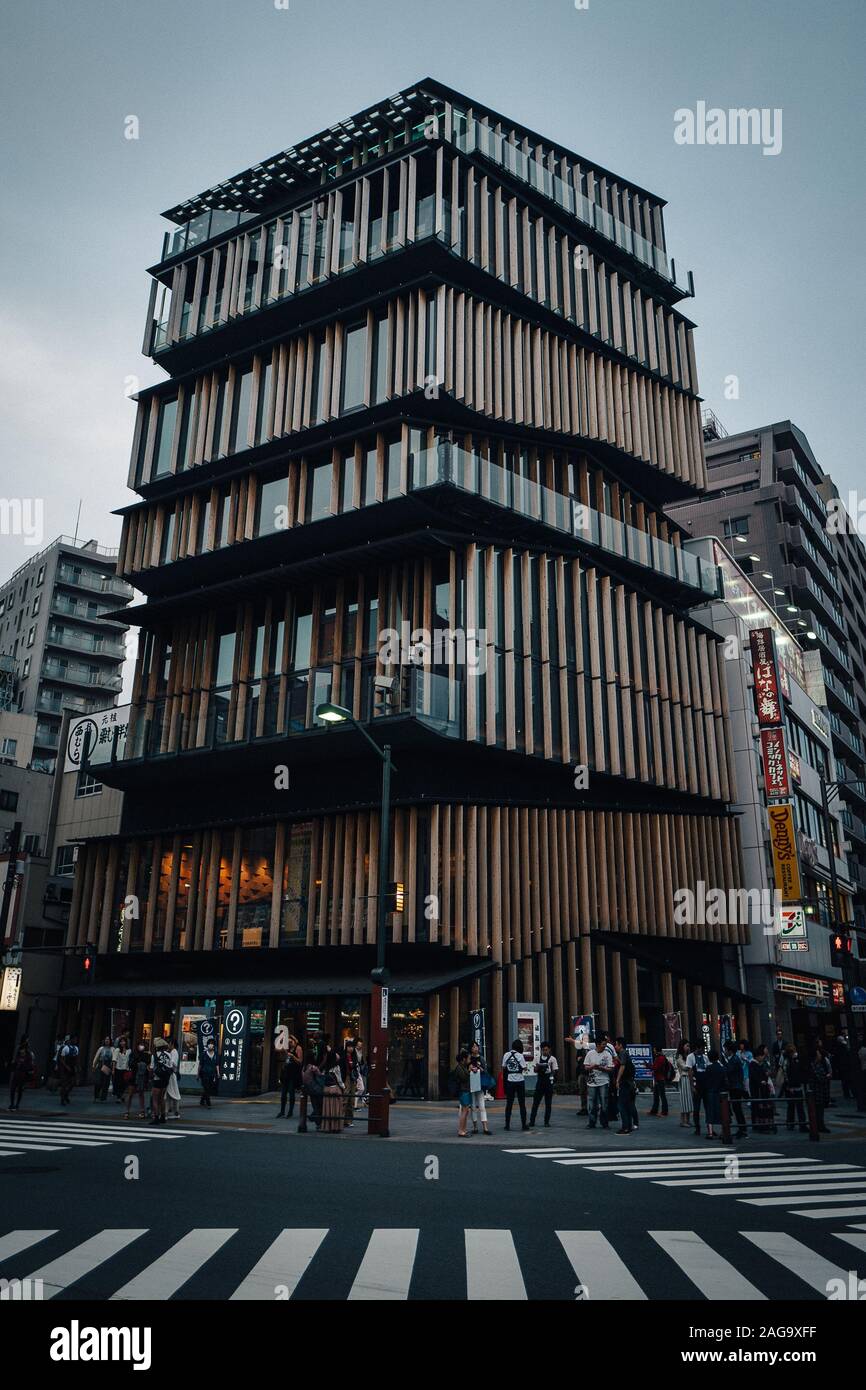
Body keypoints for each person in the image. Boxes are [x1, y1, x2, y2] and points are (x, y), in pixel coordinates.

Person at [584, 1036, 615, 1129]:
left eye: (605, 1044)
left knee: (604, 1103)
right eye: (603, 1044)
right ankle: (592, 1122)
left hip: (604, 1082)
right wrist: (592, 1067)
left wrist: (602, 1068)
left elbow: (611, 1068)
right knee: (592, 1104)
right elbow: (585, 1066)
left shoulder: (607, 1054)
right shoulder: (590, 1053)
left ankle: (604, 1122)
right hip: (592, 1082)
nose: (605, 1046)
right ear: (597, 1044)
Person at [722, 1039, 749, 1138]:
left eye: (725, 1049)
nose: (724, 1051)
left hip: (736, 1087)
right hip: (736, 1086)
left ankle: (743, 1129)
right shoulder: (734, 1059)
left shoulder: (734, 1059)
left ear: (729, 1050)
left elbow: (728, 1070)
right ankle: (742, 1129)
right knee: (737, 1108)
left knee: (737, 1108)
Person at [748, 1044, 777, 1133]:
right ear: (758, 1056)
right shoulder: (753, 1064)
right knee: (759, 1107)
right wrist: (762, 1080)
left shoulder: (758, 1064)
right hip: (757, 1090)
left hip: (762, 1089)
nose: (762, 1058)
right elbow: (755, 1077)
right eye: (761, 1056)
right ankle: (760, 1125)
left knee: (762, 1107)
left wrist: (764, 1078)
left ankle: (764, 1125)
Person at [501, 1038, 529, 1131]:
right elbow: (524, 1068)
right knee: (522, 1103)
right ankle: (524, 1125)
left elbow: (504, 1067)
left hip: (509, 1080)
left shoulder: (506, 1055)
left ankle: (507, 1125)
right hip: (520, 1081)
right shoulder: (520, 1056)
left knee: (509, 1103)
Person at [529, 1041, 558, 1128]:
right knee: (535, 1103)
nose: (545, 1051)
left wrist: (550, 1069)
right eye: (543, 1050)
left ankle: (546, 1122)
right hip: (540, 1082)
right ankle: (532, 1121)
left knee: (548, 1103)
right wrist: (538, 1067)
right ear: (541, 1050)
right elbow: (534, 1070)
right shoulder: (537, 1058)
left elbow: (555, 1071)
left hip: (548, 1082)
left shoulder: (552, 1059)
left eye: (546, 1050)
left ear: (549, 1050)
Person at [781, 1043, 809, 1132]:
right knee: (797, 1106)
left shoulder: (790, 1060)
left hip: (793, 1085)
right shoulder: (791, 1060)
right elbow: (786, 1074)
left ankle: (792, 1123)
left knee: (792, 1106)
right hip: (794, 1085)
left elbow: (786, 1074)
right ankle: (800, 1124)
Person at [613, 1038, 638, 1134]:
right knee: (627, 1104)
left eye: (616, 1044)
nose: (615, 1047)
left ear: (620, 1045)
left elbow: (623, 1066)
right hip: (629, 1083)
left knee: (621, 1105)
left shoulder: (623, 1053)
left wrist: (618, 1080)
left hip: (625, 1083)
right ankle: (629, 1126)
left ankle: (625, 1127)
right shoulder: (625, 1054)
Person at [277, 1034, 303, 1119]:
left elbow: (300, 1061)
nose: (290, 1043)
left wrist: (293, 1056)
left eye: (291, 1042)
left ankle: (290, 1111)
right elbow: (277, 1049)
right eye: (288, 1042)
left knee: (291, 1092)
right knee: (283, 1093)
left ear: (294, 1041)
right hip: (286, 1073)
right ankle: (282, 1111)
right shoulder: (288, 1048)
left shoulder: (298, 1048)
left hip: (293, 1074)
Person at [686, 1040, 709, 1135]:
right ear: (697, 1048)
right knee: (696, 1108)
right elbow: (690, 1072)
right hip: (697, 1084)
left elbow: (708, 1069)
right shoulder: (690, 1057)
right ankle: (697, 1127)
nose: (703, 1050)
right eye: (702, 1048)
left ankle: (709, 1128)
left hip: (705, 1084)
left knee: (708, 1108)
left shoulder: (705, 1057)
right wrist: (692, 1086)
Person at [320, 1047, 345, 1133]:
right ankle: (335, 1127)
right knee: (336, 1109)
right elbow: (339, 1080)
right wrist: (343, 1087)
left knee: (327, 1109)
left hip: (326, 1089)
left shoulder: (325, 1067)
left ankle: (327, 1126)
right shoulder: (336, 1067)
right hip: (334, 1089)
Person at [299, 1048, 323, 1132]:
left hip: (308, 1089)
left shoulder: (304, 1067)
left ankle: (317, 1122)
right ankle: (317, 1121)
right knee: (319, 1106)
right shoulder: (312, 1067)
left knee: (315, 1106)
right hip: (316, 1089)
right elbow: (320, 1075)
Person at [703, 1049, 725, 1139]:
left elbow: (706, 1081)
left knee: (710, 1112)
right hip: (720, 1092)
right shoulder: (721, 1068)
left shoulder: (708, 1068)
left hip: (710, 1092)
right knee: (722, 1112)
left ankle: (710, 1133)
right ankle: (723, 1132)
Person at [810, 1043, 832, 1133]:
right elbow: (819, 1077)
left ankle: (819, 1125)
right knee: (818, 1110)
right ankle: (819, 1126)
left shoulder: (817, 1064)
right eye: (818, 1054)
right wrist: (827, 1076)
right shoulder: (814, 1065)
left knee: (819, 1110)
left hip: (819, 1090)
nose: (820, 1055)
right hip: (817, 1090)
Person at [8, 1037, 35, 1111]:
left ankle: (16, 1104)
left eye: (23, 1050)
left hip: (22, 1074)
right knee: (13, 1089)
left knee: (19, 1090)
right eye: (21, 1050)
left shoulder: (28, 1056)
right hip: (17, 1073)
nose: (21, 1051)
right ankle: (12, 1103)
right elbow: (14, 1063)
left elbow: (30, 1066)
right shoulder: (18, 1055)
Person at [468, 1049, 491, 1134]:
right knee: (473, 1106)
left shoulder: (481, 1058)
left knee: (482, 1105)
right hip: (471, 1084)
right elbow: (466, 1070)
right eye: (473, 1046)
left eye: (476, 1046)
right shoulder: (468, 1059)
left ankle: (485, 1127)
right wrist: (470, 1069)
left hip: (480, 1083)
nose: (475, 1048)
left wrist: (479, 1068)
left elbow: (485, 1070)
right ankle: (475, 1127)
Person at [124, 1042, 150, 1118]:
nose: (141, 1047)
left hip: (141, 1076)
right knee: (131, 1093)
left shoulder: (146, 1055)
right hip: (134, 1075)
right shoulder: (133, 1054)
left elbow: (148, 1064)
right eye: (140, 1045)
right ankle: (127, 1111)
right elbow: (130, 1064)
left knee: (140, 1093)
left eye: (142, 1046)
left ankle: (141, 1111)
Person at [149, 1038, 172, 1125]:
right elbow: (170, 1067)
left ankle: (156, 1117)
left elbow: (152, 1068)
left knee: (155, 1099)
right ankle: (163, 1116)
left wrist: (150, 1077)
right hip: (165, 1079)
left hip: (157, 1079)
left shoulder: (154, 1055)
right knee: (162, 1098)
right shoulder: (168, 1055)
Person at [452, 1048, 473, 1137]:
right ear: (464, 1059)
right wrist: (469, 1070)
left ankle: (463, 1129)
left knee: (466, 1110)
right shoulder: (459, 1068)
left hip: (465, 1090)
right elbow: (464, 1078)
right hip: (463, 1091)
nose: (469, 1060)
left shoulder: (462, 1067)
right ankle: (461, 1130)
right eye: (468, 1058)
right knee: (464, 1111)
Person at [340, 1039, 359, 1129]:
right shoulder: (343, 1057)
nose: (350, 1048)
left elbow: (356, 1068)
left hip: (352, 1079)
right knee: (345, 1099)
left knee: (351, 1100)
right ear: (346, 1047)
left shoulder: (354, 1057)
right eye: (349, 1047)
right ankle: (341, 1120)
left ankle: (349, 1121)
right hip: (346, 1078)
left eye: (352, 1047)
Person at [648, 1045, 670, 1117]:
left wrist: (649, 1066)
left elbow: (656, 1068)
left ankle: (664, 1112)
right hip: (658, 1079)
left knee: (662, 1096)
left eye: (654, 1049)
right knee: (656, 1096)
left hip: (660, 1079)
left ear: (656, 1050)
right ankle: (654, 1110)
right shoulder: (660, 1057)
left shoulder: (660, 1058)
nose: (653, 1051)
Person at [675, 1041, 693, 1128]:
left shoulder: (688, 1056)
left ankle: (687, 1120)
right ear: (682, 1046)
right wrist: (691, 1065)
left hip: (689, 1078)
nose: (688, 1048)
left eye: (689, 1046)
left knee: (689, 1100)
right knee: (685, 1100)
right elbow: (684, 1067)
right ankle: (683, 1121)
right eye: (687, 1046)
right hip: (684, 1078)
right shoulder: (679, 1056)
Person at [197, 1037, 219, 1108]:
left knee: (209, 1088)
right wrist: (197, 1074)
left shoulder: (215, 1055)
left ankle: (202, 1100)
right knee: (206, 1087)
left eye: (212, 1044)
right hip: (204, 1073)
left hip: (212, 1074)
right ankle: (208, 1102)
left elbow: (217, 1065)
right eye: (209, 1044)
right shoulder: (204, 1054)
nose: (210, 1045)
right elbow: (200, 1065)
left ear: (214, 1046)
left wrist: (218, 1073)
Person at [91, 1035, 114, 1103]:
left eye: (108, 1039)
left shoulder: (112, 1049)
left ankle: (103, 1098)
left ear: (110, 1041)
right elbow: (96, 1057)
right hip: (101, 1065)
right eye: (106, 1039)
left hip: (108, 1066)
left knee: (106, 1083)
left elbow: (114, 1059)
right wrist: (94, 1065)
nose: (107, 1041)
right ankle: (96, 1097)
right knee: (98, 1082)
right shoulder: (101, 1048)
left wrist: (112, 1068)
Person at [58, 1035, 79, 1105]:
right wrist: (66, 1067)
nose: (76, 1041)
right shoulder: (65, 1048)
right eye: (74, 1039)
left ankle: (66, 1094)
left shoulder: (76, 1048)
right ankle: (62, 1099)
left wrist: (76, 1067)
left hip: (72, 1067)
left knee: (72, 1083)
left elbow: (76, 1059)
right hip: (66, 1068)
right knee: (64, 1084)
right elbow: (62, 1059)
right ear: (71, 1040)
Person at [165, 1037, 181, 1119]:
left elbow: (173, 1064)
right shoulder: (171, 1052)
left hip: (171, 1075)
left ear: (172, 1044)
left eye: (169, 1043)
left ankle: (175, 1112)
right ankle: (169, 1112)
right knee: (169, 1094)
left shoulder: (174, 1052)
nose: (168, 1045)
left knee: (173, 1093)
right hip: (170, 1075)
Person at [112, 1037, 131, 1103]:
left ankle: (122, 1095)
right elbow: (114, 1060)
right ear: (119, 1043)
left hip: (126, 1069)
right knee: (118, 1083)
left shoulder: (129, 1050)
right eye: (121, 1041)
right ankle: (119, 1097)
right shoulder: (117, 1050)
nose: (123, 1043)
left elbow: (130, 1060)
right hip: (118, 1069)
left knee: (124, 1084)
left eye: (124, 1041)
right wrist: (113, 1069)